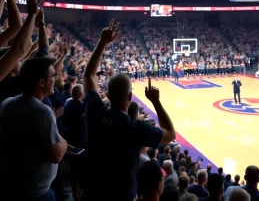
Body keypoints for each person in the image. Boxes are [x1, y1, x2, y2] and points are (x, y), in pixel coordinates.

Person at [80, 19, 176, 201]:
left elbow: (88, 75)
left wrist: (102, 43)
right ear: (131, 97)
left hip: (90, 193)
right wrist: (156, 102)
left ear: (107, 96)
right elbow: (170, 134)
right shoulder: (135, 129)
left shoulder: (95, 110)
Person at [0, 57, 68, 201]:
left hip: (10, 187)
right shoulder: (43, 112)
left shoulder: (7, 103)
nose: (55, 79)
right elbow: (56, 155)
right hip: (37, 193)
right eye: (52, 76)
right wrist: (64, 143)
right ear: (41, 82)